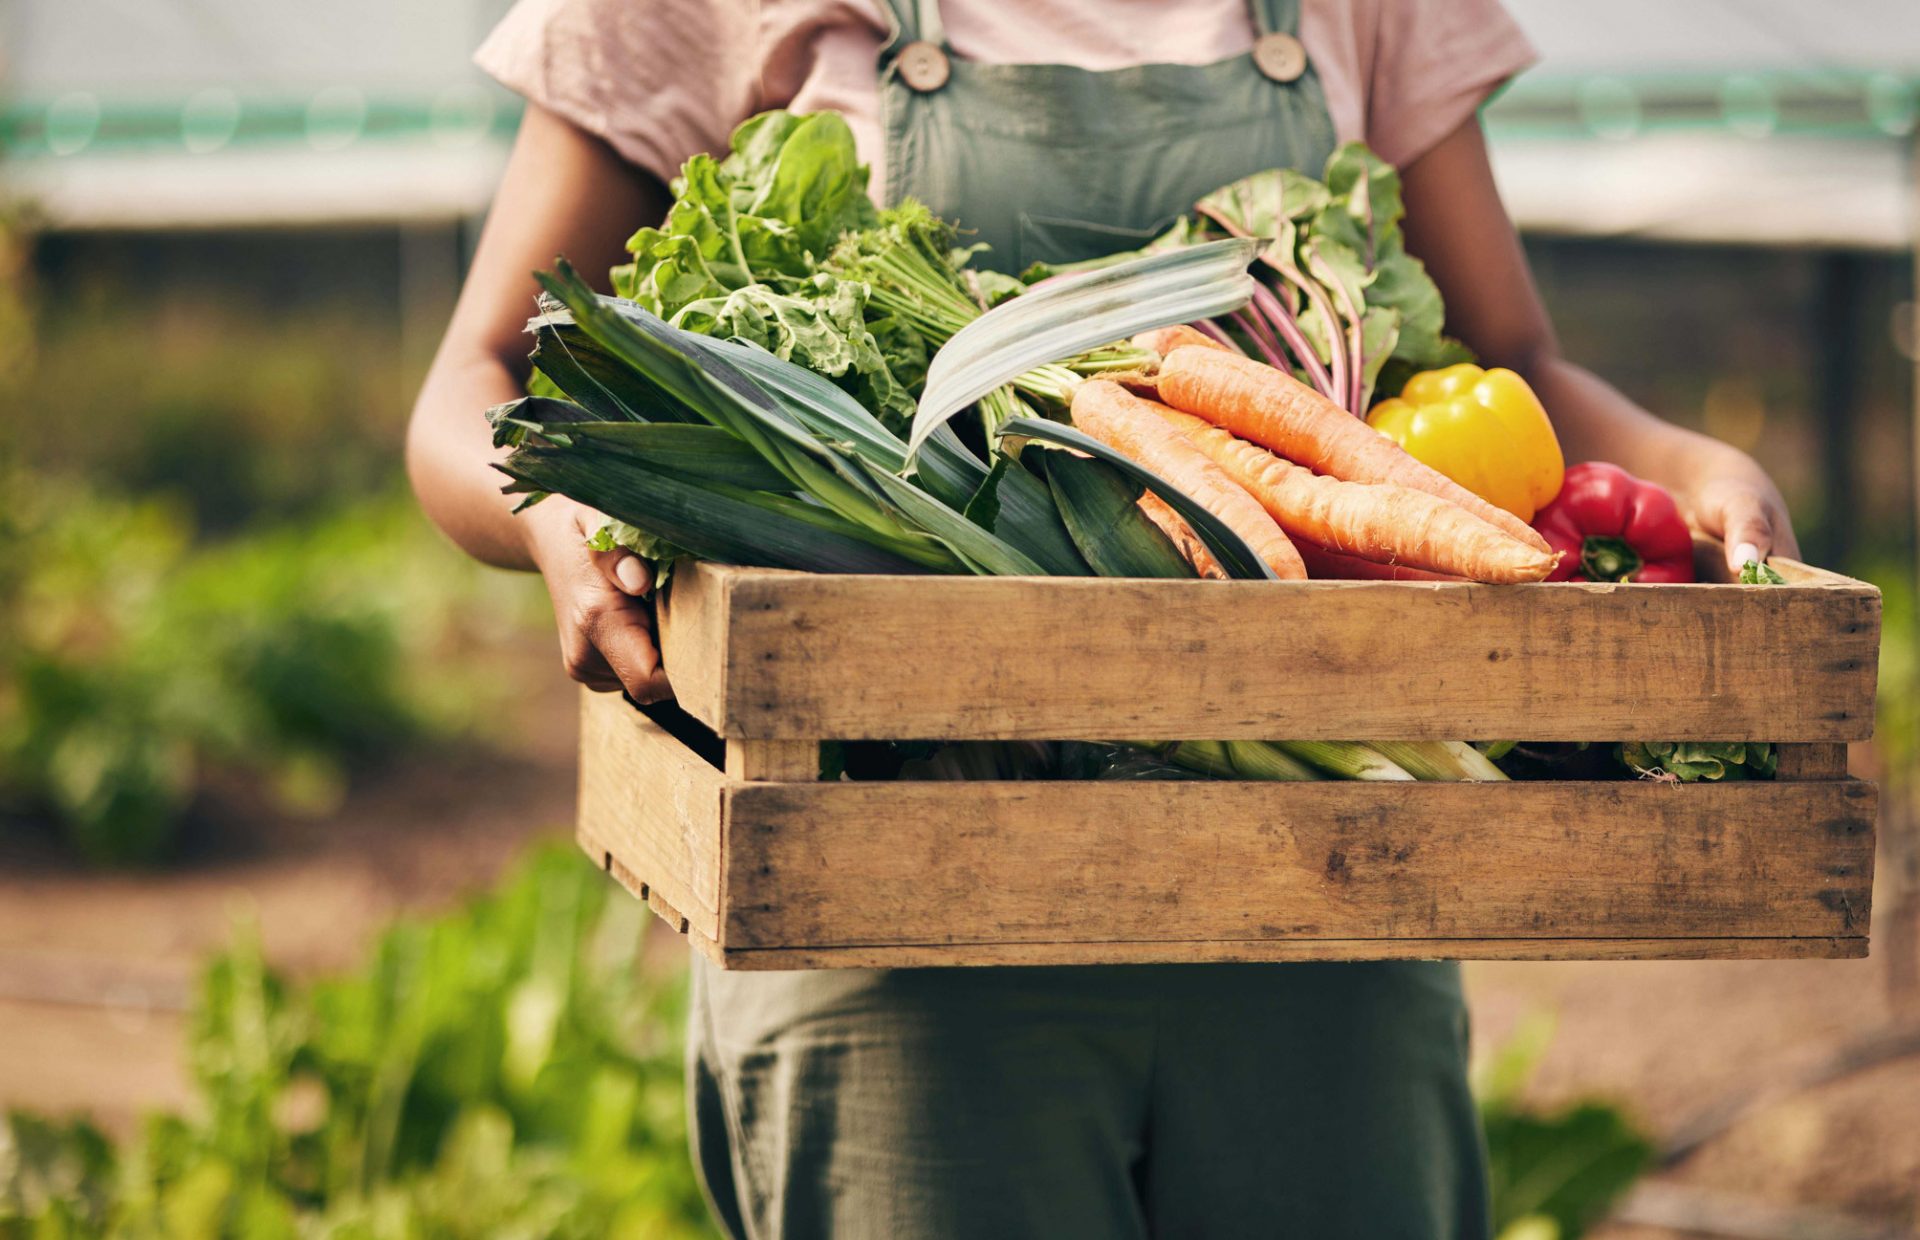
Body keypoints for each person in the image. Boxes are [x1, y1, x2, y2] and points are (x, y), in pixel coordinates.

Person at [407, 2, 1798, 1235]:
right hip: (896, 919)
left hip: (1329, 901)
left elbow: (1517, 360)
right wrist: (557, 525)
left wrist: (1696, 474)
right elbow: (473, 377)